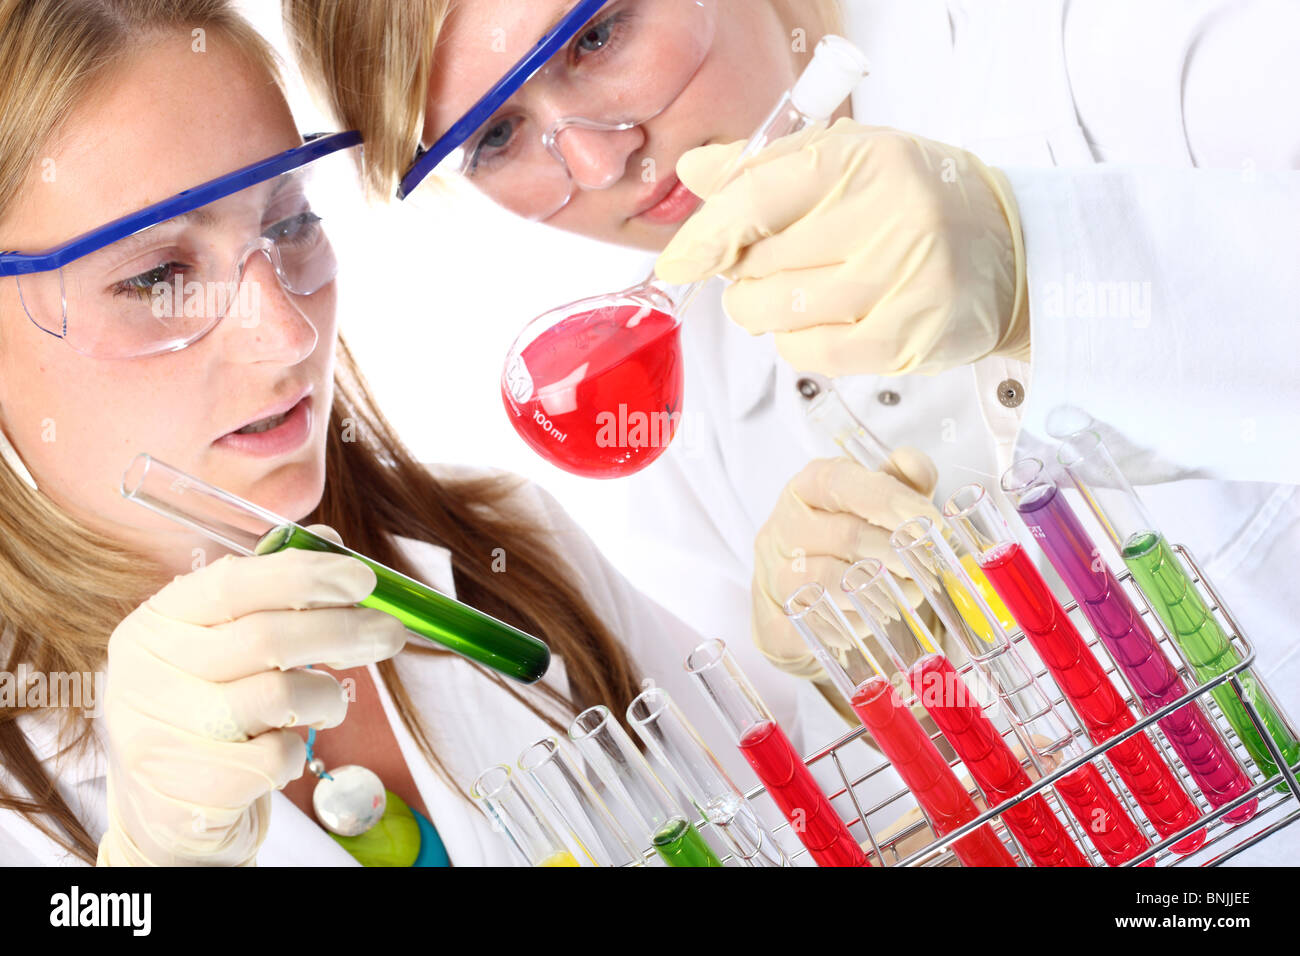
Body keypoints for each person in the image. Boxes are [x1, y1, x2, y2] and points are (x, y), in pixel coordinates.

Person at [284, 0, 1300, 865]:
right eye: (495, 136)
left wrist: (1038, 261)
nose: (600, 160)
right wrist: (844, 679)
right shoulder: (672, 431)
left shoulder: (1100, 38)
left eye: (596, 37)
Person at [0, 0, 849, 868]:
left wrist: (849, 642)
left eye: (288, 222)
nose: (287, 335)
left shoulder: (508, 557)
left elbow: (836, 824)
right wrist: (147, 868)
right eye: (155, 276)